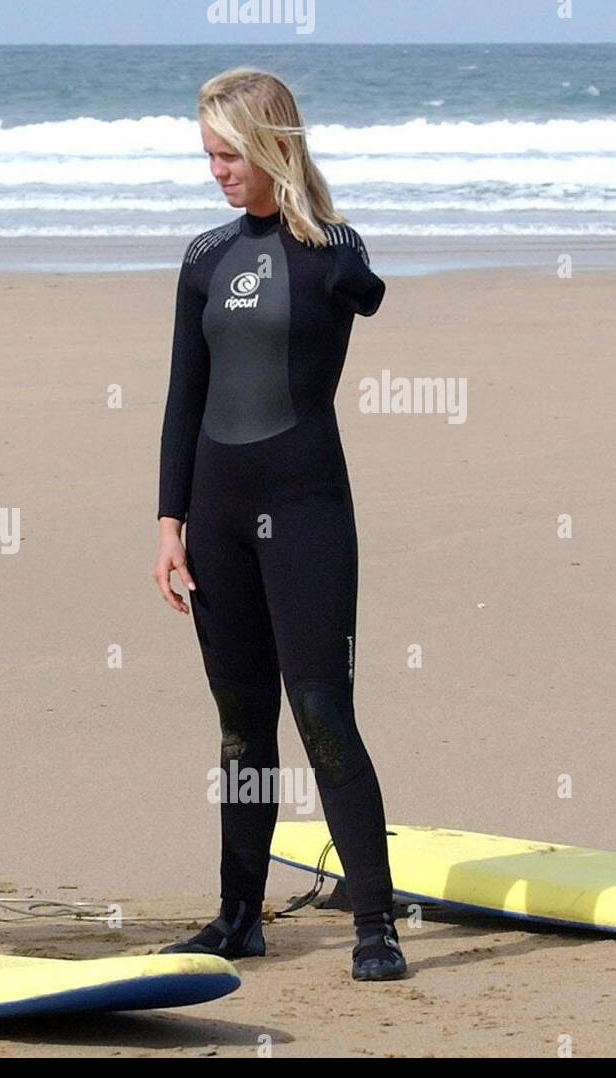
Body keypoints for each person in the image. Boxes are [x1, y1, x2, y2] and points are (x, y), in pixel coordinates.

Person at [153, 69, 406, 981]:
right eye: (208, 155)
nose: (216, 170)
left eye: (229, 153)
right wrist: (167, 520)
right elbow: (184, 397)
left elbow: (370, 292)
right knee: (238, 722)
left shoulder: (330, 247)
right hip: (214, 515)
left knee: (323, 711)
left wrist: (324, 233)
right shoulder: (201, 257)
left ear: (272, 145)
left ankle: (374, 923)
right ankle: (235, 917)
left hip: (305, 510)